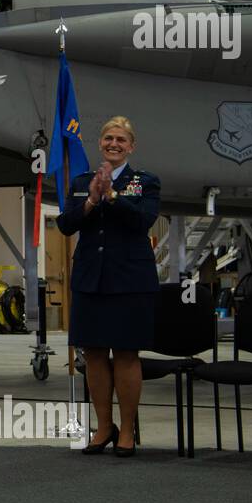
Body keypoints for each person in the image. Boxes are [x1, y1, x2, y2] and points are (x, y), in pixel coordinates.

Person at [56, 116, 161, 457]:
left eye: (120, 139)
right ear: (100, 144)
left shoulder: (145, 182)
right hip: (91, 278)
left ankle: (127, 429)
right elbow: (66, 224)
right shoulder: (82, 181)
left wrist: (112, 196)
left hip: (129, 279)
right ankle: (104, 427)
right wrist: (90, 200)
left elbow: (142, 221)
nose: (113, 144)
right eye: (108, 139)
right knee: (95, 355)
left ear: (131, 146)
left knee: (127, 354)